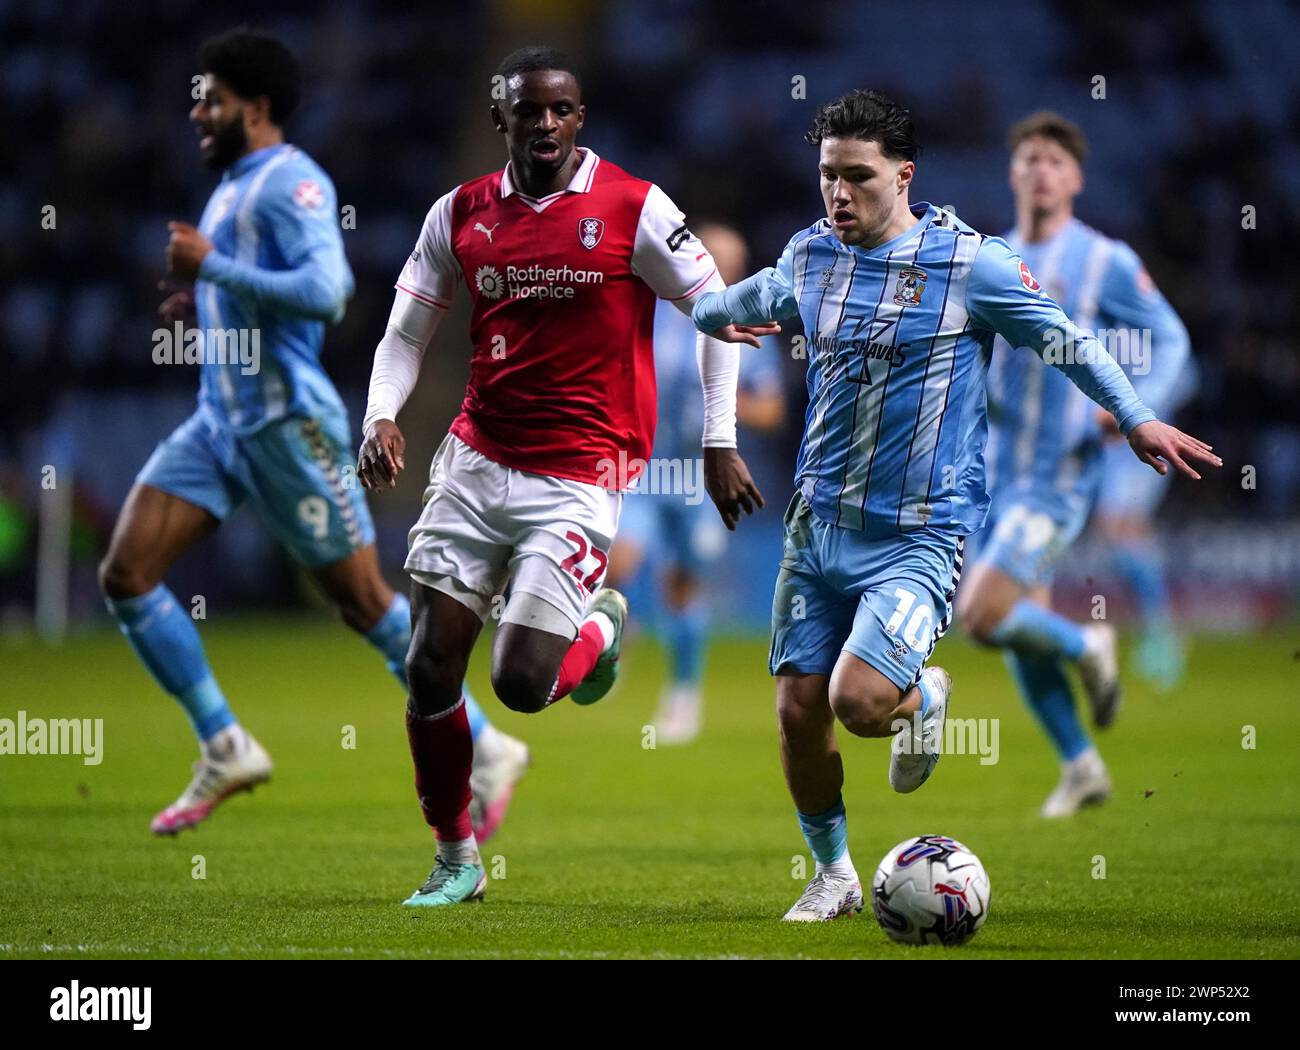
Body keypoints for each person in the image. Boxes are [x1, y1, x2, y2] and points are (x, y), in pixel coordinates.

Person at [691, 89, 1220, 921]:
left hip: (919, 535)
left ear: (903, 175)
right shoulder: (809, 258)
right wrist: (697, 304)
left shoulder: (971, 265)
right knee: (797, 710)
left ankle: (922, 697)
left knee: (857, 702)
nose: (838, 194)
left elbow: (1069, 342)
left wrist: (1138, 415)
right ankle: (831, 875)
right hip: (816, 526)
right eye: (827, 175)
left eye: (857, 177)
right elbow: (722, 305)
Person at [356, 47, 769, 907]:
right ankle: (455, 858)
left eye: (562, 110)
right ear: (501, 117)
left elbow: (717, 312)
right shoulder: (459, 214)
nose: (545, 123)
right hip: (474, 460)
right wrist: (382, 418)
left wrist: (720, 441)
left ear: (579, 118)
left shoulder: (635, 207)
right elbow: (404, 335)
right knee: (430, 666)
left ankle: (603, 631)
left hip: (580, 474)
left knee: (520, 684)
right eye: (528, 110)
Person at [98, 28, 527, 839]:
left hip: (290, 427)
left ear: (255, 108)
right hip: (221, 421)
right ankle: (225, 742)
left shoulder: (291, 182)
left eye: (211, 99)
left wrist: (213, 271)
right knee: (126, 573)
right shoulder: (230, 188)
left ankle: (490, 743)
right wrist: (205, 303)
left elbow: (327, 291)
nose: (197, 110)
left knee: (364, 603)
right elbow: (263, 292)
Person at [956, 111, 1195, 817]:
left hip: (1057, 476)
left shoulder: (1103, 260)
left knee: (980, 615)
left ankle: (1088, 641)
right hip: (990, 473)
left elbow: (1171, 338)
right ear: (1012, 172)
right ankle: (1082, 765)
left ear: (1077, 179)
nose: (1040, 170)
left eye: (1055, 161)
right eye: (1029, 158)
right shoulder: (988, 257)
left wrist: (1134, 406)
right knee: (1012, 627)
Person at [607, 222, 786, 744]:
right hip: (642, 467)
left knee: (681, 587)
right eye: (713, 257)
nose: (719, 269)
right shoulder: (657, 312)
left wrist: (721, 403)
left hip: (699, 478)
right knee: (617, 562)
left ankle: (683, 695)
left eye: (732, 262)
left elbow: (772, 409)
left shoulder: (748, 323)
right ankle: (616, 632)